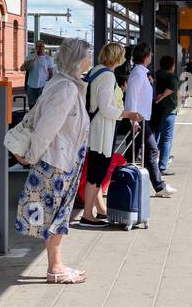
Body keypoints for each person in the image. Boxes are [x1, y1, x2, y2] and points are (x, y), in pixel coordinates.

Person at [13, 38, 92, 284]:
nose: (90, 60)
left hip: (62, 157)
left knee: (57, 212)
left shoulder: (63, 83)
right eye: (87, 55)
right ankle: (55, 268)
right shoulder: (66, 89)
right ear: (78, 61)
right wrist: (32, 156)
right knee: (56, 213)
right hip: (57, 159)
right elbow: (48, 127)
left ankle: (56, 264)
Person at [78, 42, 142, 228]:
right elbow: (106, 107)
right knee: (96, 174)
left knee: (96, 171)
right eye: (122, 54)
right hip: (102, 130)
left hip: (94, 129)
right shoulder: (107, 76)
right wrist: (127, 114)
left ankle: (101, 210)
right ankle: (87, 215)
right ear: (116, 57)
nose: (124, 58)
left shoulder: (96, 71)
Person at [123, 43, 177, 198]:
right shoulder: (138, 75)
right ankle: (159, 186)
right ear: (145, 56)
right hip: (138, 120)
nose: (152, 56)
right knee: (151, 150)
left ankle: (120, 180)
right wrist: (133, 121)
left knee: (136, 154)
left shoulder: (142, 73)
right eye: (150, 54)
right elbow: (131, 99)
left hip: (142, 119)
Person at [151, 54, 180, 175]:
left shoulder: (155, 75)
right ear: (172, 66)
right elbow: (171, 89)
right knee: (167, 138)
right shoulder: (172, 77)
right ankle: (162, 166)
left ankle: (152, 160)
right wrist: (161, 97)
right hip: (169, 110)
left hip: (155, 110)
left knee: (155, 135)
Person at [22, 41, 54, 109]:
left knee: (42, 105)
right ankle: (32, 119)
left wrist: (50, 84)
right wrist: (34, 57)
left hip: (43, 85)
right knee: (31, 105)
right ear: (35, 47)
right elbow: (22, 68)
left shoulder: (48, 58)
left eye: (41, 46)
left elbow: (51, 73)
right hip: (31, 85)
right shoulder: (30, 56)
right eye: (38, 46)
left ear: (44, 47)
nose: (40, 48)